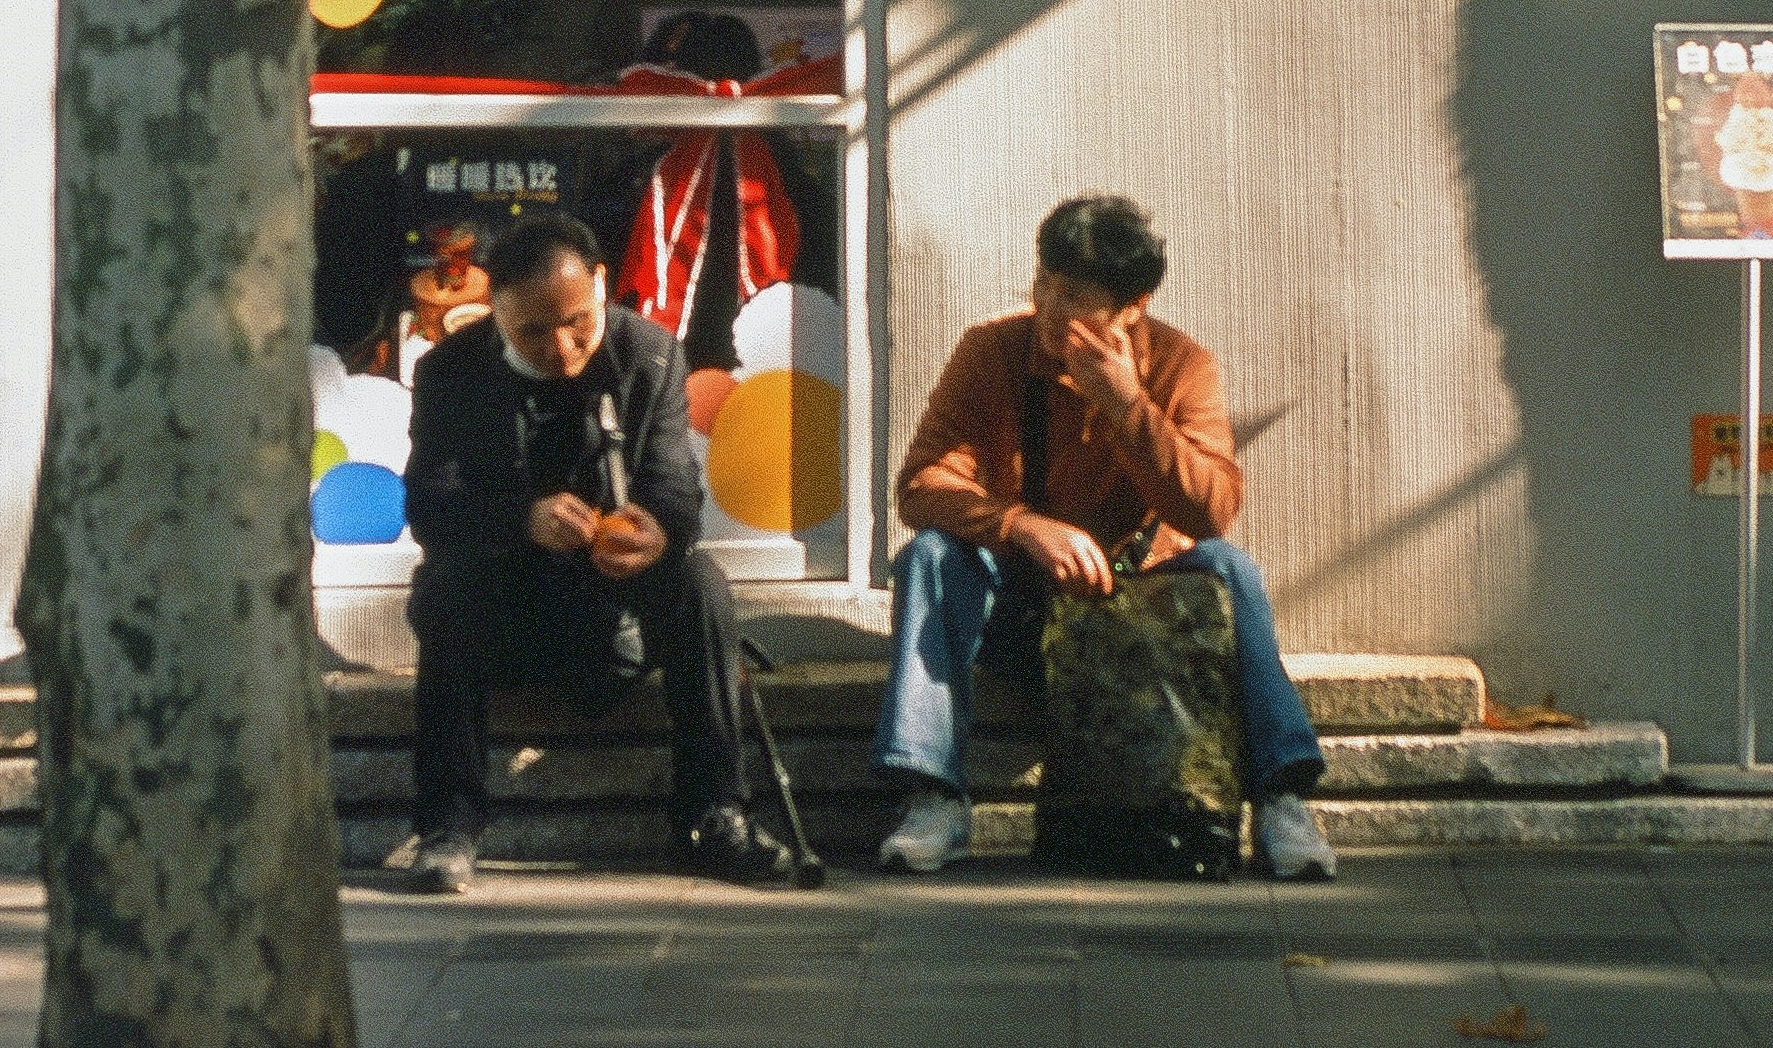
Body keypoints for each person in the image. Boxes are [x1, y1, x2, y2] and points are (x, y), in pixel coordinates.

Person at [870, 192, 1332, 881]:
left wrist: (1127, 407)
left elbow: (1211, 509)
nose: (1052, 311)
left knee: (1229, 568)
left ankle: (1281, 797)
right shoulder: (993, 351)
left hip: (1133, 612)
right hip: (1017, 608)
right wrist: (1019, 526)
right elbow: (921, 485)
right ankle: (933, 795)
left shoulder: (1182, 366)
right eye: (1044, 284)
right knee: (931, 557)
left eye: (1077, 295)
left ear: (1132, 306)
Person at [392, 216, 796, 896]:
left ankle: (715, 811)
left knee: (701, 581)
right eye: (532, 331)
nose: (562, 346)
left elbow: (674, 488)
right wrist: (521, 519)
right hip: (506, 596)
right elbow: (430, 507)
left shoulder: (652, 354)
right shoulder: (449, 373)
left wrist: (658, 532)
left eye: (580, 321)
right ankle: (449, 823)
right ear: (496, 313)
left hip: (617, 596)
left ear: (604, 285)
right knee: (446, 588)